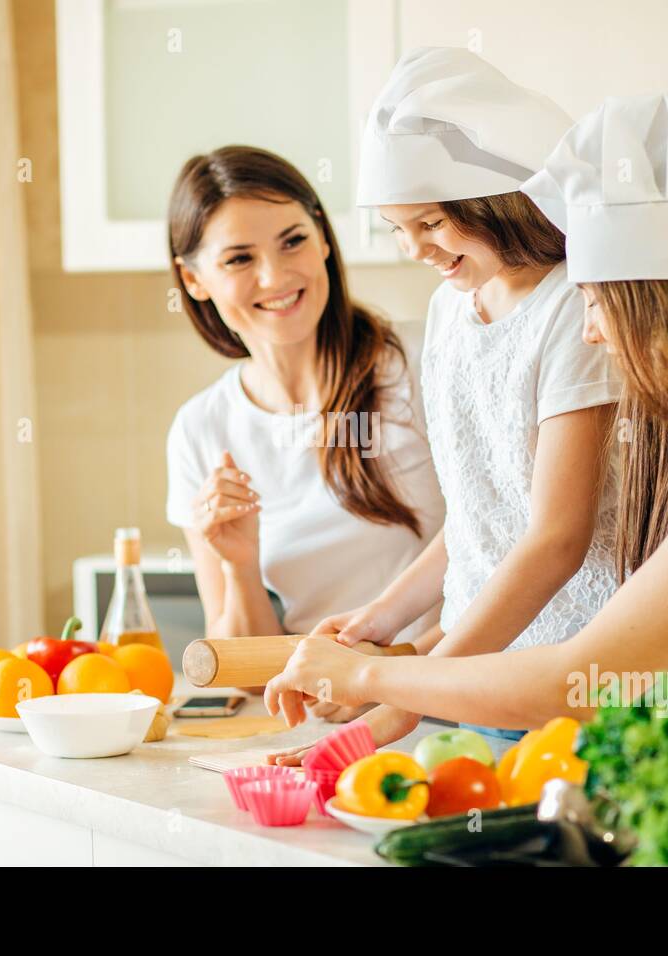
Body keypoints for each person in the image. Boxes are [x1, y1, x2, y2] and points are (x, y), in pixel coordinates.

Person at [265, 95, 668, 802]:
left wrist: (369, 678)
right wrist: (402, 656)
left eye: (599, 301)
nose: (590, 334)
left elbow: (586, 675)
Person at [272, 48, 622, 761]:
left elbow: (558, 538)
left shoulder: (574, 308)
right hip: (477, 679)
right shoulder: (450, 309)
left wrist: (406, 690)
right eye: (399, 229)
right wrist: (378, 620)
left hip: (567, 688)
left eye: (431, 223)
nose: (416, 249)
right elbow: (480, 517)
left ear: (495, 198)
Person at [165, 146, 446, 718]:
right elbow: (245, 670)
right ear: (193, 279)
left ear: (322, 238)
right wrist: (240, 564)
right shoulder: (201, 429)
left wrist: (392, 674)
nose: (275, 276)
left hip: (456, 700)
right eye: (239, 259)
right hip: (324, 729)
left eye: (292, 240)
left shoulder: (422, 362)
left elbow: (503, 553)